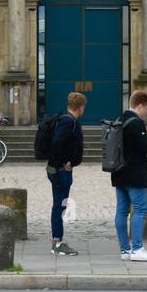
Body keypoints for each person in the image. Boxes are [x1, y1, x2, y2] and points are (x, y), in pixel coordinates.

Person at [112, 90, 147, 262]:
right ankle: (137, 248)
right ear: (140, 106)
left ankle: (125, 250)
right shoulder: (136, 123)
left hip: (118, 172)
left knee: (122, 211)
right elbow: (142, 147)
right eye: (146, 109)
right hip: (134, 173)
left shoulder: (120, 120)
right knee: (140, 209)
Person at [46, 91, 86, 257]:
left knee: (59, 205)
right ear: (81, 107)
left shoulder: (66, 119)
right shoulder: (69, 122)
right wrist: (65, 162)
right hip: (60, 171)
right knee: (59, 206)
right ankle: (57, 243)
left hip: (57, 170)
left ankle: (57, 240)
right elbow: (57, 143)